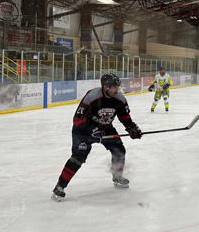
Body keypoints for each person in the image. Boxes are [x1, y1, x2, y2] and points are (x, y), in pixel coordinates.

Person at [51, 73, 142, 201]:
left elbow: (124, 116)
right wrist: (91, 130)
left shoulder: (120, 99)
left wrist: (132, 128)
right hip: (82, 131)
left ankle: (117, 177)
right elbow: (77, 119)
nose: (117, 90)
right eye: (114, 87)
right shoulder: (92, 97)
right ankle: (60, 187)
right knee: (78, 157)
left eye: (118, 87)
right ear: (105, 87)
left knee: (119, 150)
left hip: (105, 128)